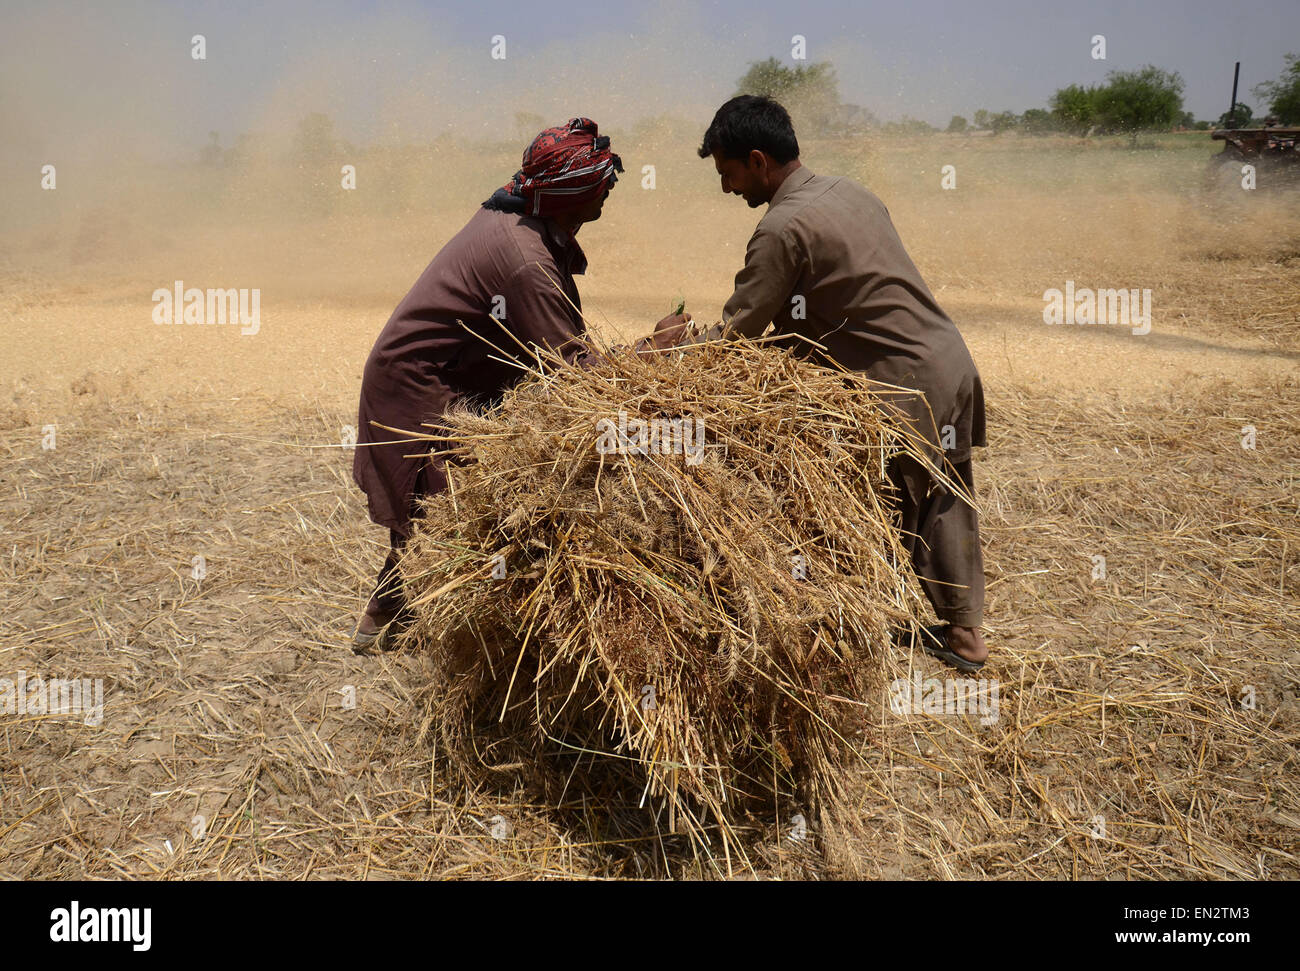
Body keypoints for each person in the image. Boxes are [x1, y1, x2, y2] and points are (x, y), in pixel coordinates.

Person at [657, 95, 989, 670]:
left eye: (728, 173)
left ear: (758, 160)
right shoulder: (850, 192)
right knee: (944, 499)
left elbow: (738, 334)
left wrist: (671, 346)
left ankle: (840, 643)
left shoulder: (781, 228)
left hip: (901, 386)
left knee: (863, 504)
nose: (727, 188)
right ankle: (965, 639)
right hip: (949, 364)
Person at [352, 117, 689, 651]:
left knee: (443, 511)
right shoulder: (524, 261)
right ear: (575, 193)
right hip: (422, 387)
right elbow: (574, 377)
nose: (607, 195)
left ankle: (385, 623)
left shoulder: (513, 216)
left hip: (439, 374)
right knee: (451, 505)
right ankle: (433, 634)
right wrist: (658, 348)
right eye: (602, 185)